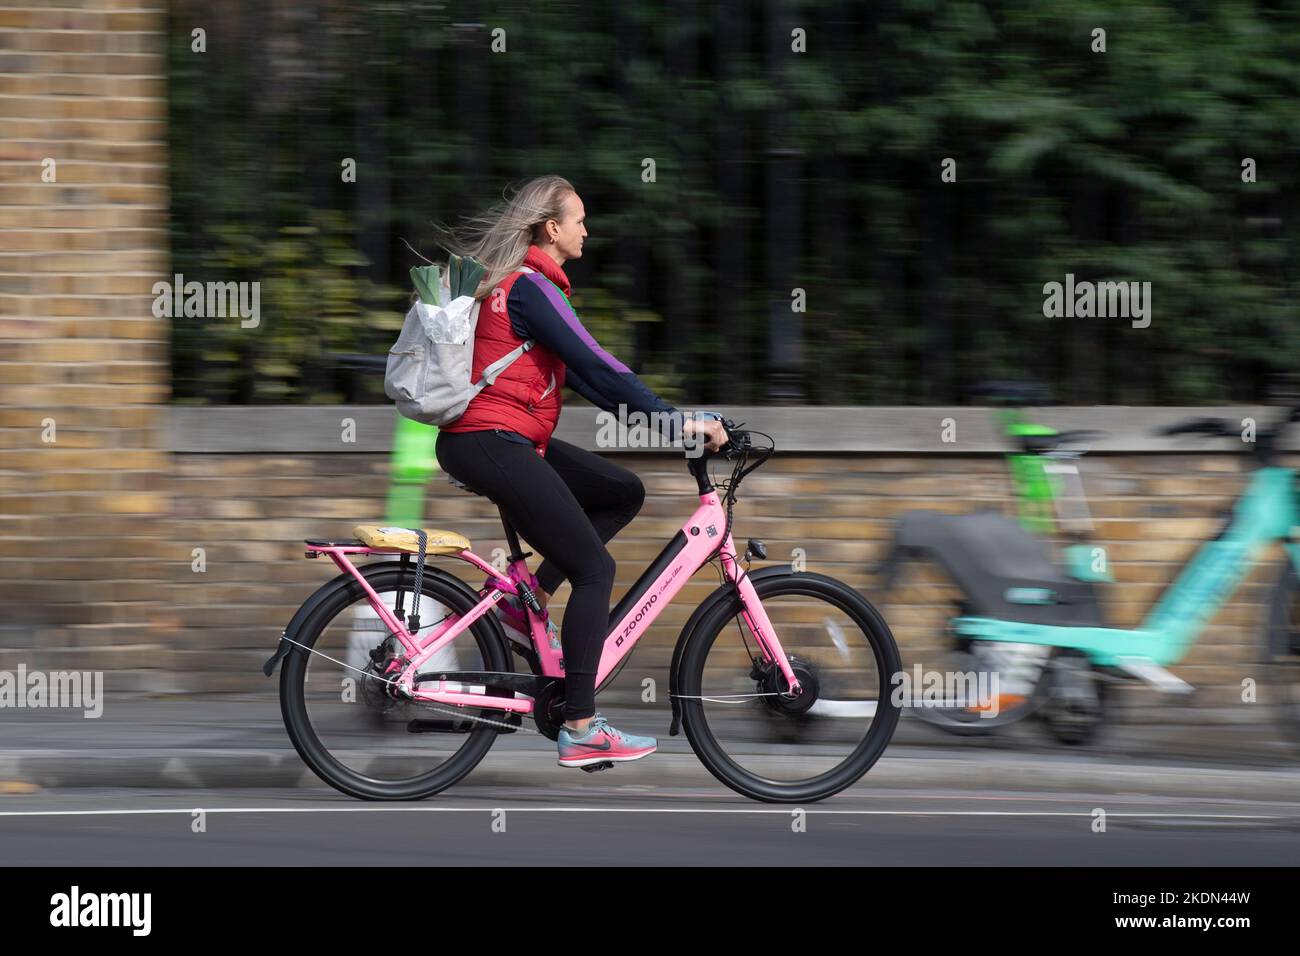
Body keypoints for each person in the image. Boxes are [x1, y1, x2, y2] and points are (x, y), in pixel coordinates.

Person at [435, 175, 728, 768]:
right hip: (491, 440)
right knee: (595, 569)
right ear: (552, 228)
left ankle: (524, 604)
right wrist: (677, 421)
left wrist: (664, 424)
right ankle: (581, 724)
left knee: (620, 490)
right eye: (580, 220)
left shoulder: (523, 288)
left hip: (502, 438)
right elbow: (599, 365)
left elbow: (594, 380)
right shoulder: (528, 288)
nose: (586, 230)